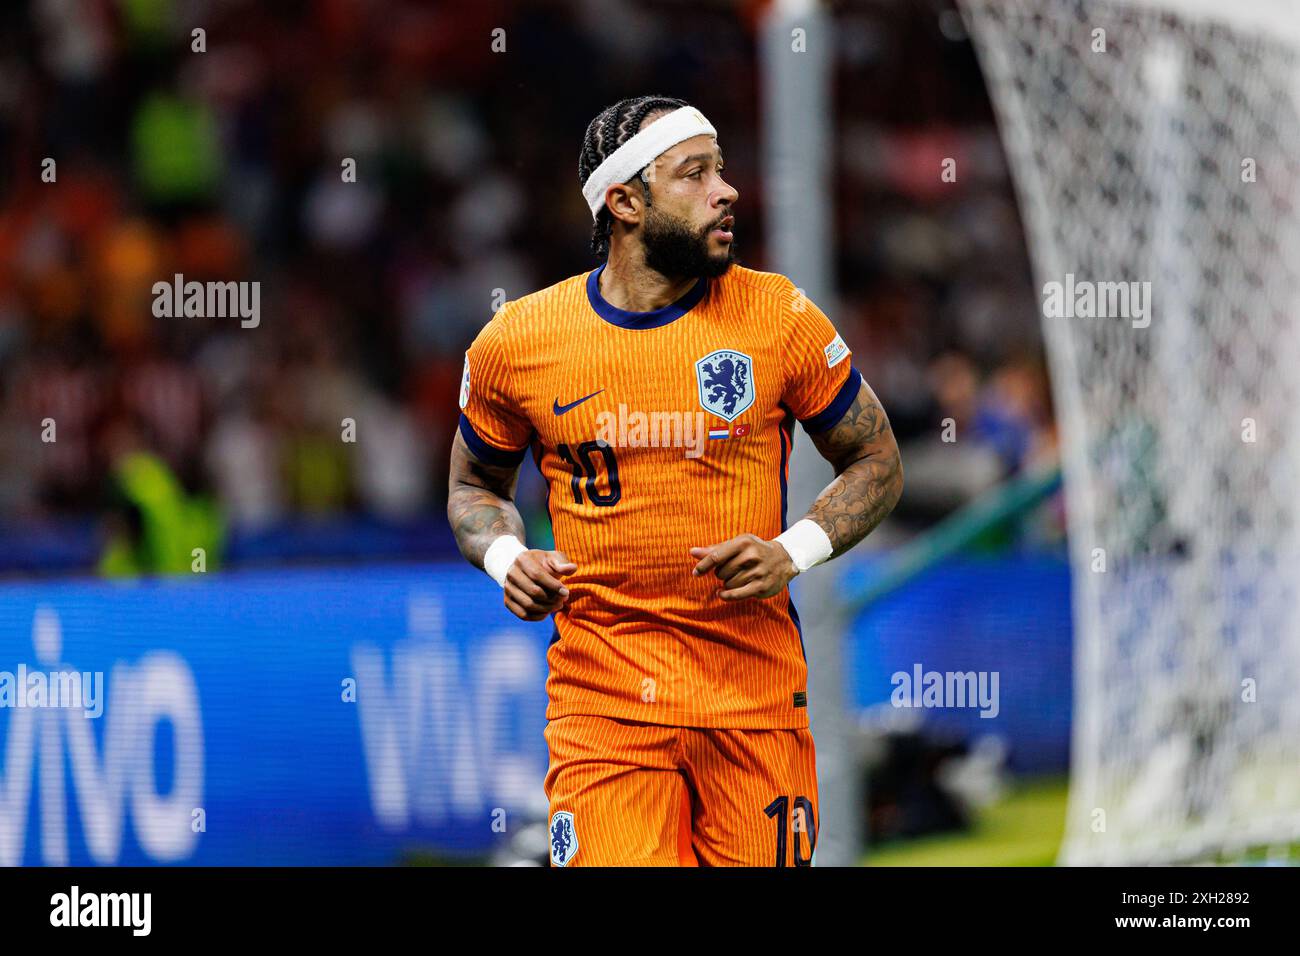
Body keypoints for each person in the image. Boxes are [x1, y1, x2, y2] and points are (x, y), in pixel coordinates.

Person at [447, 95, 902, 866]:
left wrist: (795, 549)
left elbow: (878, 462)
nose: (726, 191)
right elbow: (473, 489)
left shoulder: (778, 317)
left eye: (721, 169)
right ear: (624, 202)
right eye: (695, 175)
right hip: (606, 710)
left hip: (753, 703)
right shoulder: (518, 342)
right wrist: (505, 559)